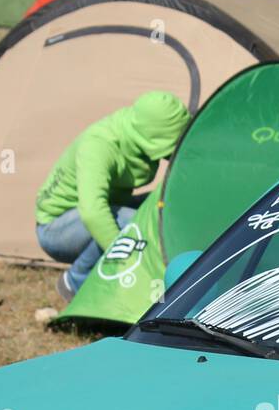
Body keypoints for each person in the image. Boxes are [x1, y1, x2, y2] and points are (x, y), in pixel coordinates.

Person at [35, 91, 190, 301]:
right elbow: (93, 212)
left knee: (156, 206)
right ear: (156, 137)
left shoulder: (137, 134)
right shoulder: (100, 145)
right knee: (134, 222)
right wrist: (129, 261)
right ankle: (75, 281)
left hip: (105, 207)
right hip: (56, 229)